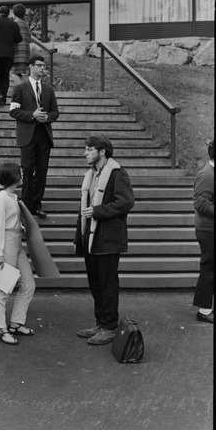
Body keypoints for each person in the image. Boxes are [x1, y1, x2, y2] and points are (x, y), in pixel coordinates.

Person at [74, 135, 135, 345]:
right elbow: (85, 209)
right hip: (91, 238)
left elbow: (126, 202)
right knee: (96, 283)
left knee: (108, 283)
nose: (85, 153)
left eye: (89, 149)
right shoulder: (91, 174)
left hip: (107, 239)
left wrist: (98, 211)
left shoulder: (118, 173)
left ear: (102, 151)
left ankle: (109, 327)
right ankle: (101, 323)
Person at [0, 161, 37, 345]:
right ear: (14, 177)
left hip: (16, 243)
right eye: (20, 173)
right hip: (6, 245)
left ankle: (16, 323)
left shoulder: (12, 197)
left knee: (28, 284)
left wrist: (21, 227)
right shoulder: (1, 198)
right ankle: (1, 329)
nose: (23, 176)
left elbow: (9, 221)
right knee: (2, 287)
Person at [9, 54, 60, 219]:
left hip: (43, 135)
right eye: (39, 65)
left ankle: (37, 205)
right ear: (30, 67)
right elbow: (14, 111)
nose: (42, 68)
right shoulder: (20, 89)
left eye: (43, 66)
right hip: (27, 135)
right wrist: (32, 114)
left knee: (42, 170)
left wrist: (48, 117)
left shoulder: (48, 90)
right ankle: (26, 206)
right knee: (28, 169)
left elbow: (55, 111)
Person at [193, 140, 214, 324]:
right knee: (209, 267)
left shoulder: (213, 172)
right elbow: (200, 204)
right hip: (208, 231)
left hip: (211, 229)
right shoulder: (207, 175)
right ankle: (204, 310)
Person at [11, 4, 31, 89]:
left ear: (14, 13)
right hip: (26, 52)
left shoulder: (14, 24)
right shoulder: (26, 24)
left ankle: (23, 91)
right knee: (20, 73)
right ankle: (25, 90)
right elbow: (29, 37)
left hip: (17, 52)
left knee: (14, 72)